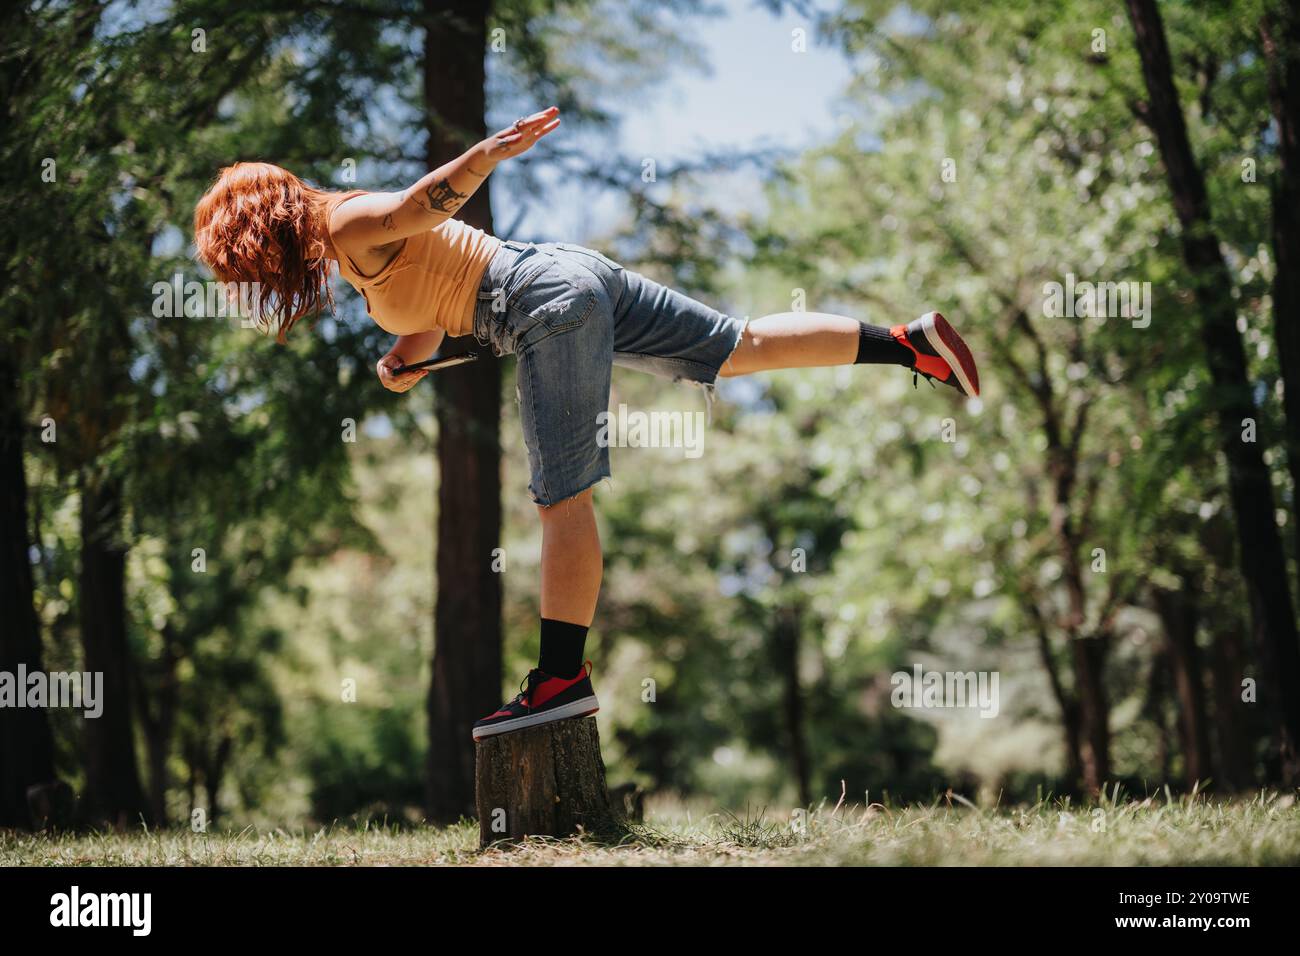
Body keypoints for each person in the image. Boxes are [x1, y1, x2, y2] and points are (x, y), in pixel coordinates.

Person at [194, 106, 980, 741]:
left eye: (243, 264)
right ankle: (908, 345)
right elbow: (434, 304)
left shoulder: (348, 222)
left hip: (542, 303)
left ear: (260, 232)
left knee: (561, 496)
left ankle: (560, 678)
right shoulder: (351, 245)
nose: (255, 279)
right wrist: (401, 359)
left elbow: (416, 205)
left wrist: (483, 157)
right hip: (569, 277)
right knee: (735, 348)